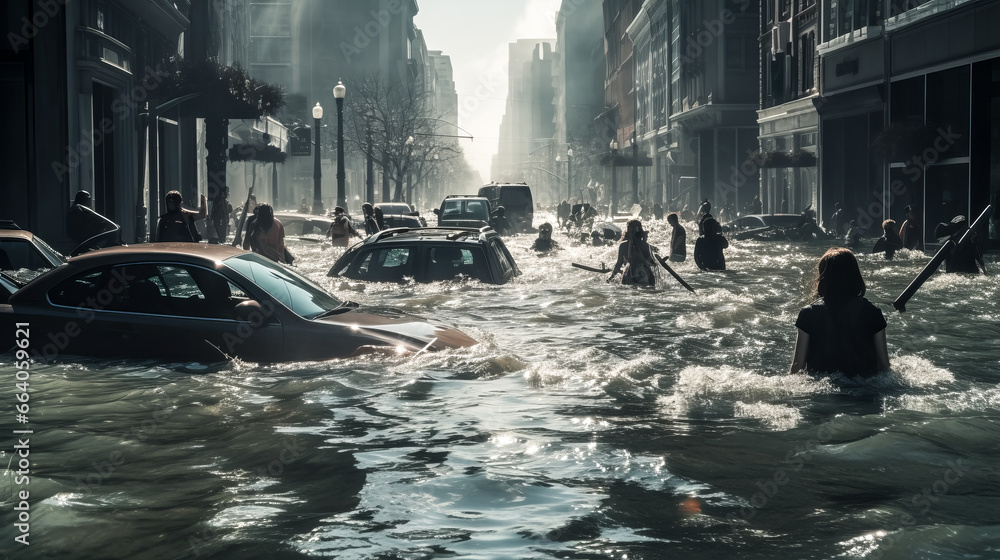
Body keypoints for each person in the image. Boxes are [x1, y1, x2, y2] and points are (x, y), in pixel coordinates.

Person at [790, 247, 890, 377]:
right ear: (855, 276)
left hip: (824, 389)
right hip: (863, 388)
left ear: (823, 277)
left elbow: (798, 366)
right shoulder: (873, 312)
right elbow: (884, 366)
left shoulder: (808, 313)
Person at [609, 219, 656, 286]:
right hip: (645, 274)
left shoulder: (623, 245)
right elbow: (652, 262)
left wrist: (611, 278)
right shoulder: (645, 245)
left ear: (627, 230)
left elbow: (619, 263)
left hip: (629, 274)